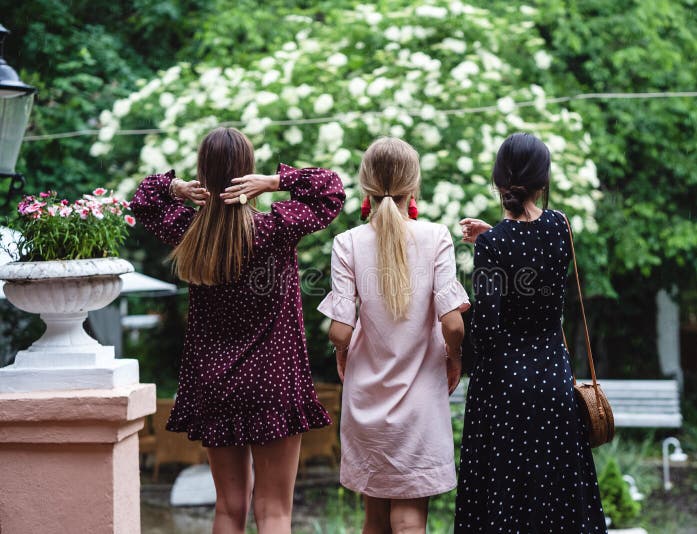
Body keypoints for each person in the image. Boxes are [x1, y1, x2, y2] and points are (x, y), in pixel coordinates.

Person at [130, 127, 344, 534]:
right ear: (247, 171)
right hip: (272, 380)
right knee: (274, 510)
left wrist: (175, 188)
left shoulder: (188, 232)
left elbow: (143, 199)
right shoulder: (275, 228)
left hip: (215, 383)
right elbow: (330, 189)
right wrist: (276, 181)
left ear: (202, 173)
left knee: (228, 507)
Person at [454, 133, 607, 532]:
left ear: (499, 181)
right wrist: (493, 237)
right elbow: (537, 267)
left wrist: (489, 242)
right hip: (553, 381)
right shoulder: (560, 227)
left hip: (504, 389)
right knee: (554, 497)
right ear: (543, 181)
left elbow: (486, 329)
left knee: (506, 499)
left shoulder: (492, 245)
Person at [318, 137, 470, 534]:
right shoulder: (436, 238)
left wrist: (342, 352)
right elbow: (452, 324)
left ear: (366, 185)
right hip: (420, 402)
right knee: (408, 521)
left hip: (366, 397)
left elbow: (340, 329)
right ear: (414, 186)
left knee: (374, 519)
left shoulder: (347, 243)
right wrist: (454, 357)